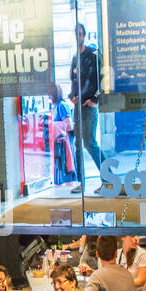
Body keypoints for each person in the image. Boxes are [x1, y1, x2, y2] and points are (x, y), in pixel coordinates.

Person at [71, 23, 103, 177]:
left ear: (84, 35)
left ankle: (107, 177)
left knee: (89, 142)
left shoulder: (93, 54)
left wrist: (95, 100)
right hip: (79, 106)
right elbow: (73, 80)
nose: (79, 37)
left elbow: (102, 78)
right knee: (78, 144)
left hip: (89, 106)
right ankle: (80, 182)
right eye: (76, 34)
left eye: (81, 34)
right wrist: (73, 97)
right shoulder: (75, 58)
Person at [48, 84, 78, 186]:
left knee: (66, 170)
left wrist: (54, 126)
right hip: (58, 145)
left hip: (64, 144)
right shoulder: (53, 107)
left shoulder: (61, 105)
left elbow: (69, 125)